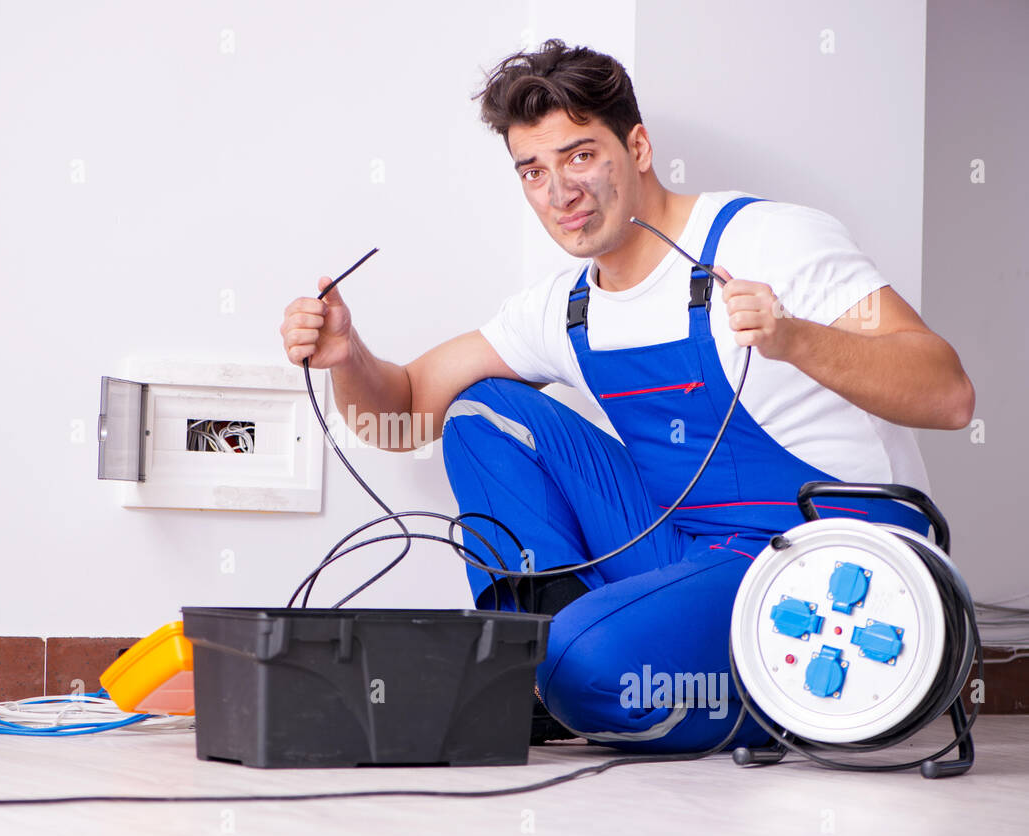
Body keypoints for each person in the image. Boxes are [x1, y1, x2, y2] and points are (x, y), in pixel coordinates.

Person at [279, 40, 975, 752]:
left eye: (580, 156)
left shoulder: (772, 239)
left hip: (821, 553)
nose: (560, 192)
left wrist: (795, 337)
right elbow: (400, 414)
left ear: (637, 146)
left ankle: (675, 679)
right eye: (534, 171)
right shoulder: (565, 308)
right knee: (483, 414)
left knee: (589, 659)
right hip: (688, 548)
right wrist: (347, 357)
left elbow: (949, 394)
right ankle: (548, 675)